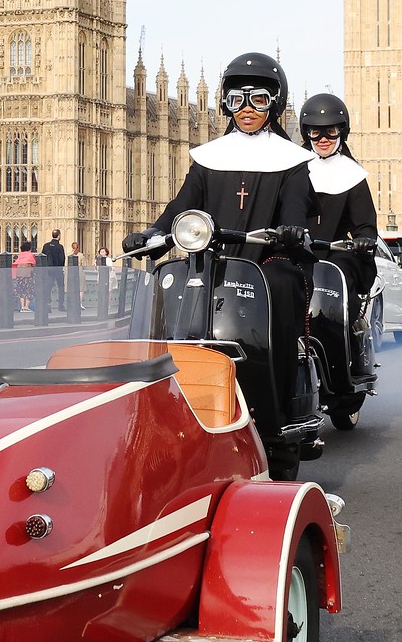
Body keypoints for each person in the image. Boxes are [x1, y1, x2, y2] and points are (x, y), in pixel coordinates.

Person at [124, 51, 313, 453]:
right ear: (226, 103)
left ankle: (277, 415)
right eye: (237, 99)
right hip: (213, 263)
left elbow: (296, 206)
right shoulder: (209, 157)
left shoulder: (293, 161)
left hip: (266, 261)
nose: (247, 109)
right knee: (171, 287)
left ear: (274, 103)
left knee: (280, 284)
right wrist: (153, 233)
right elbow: (182, 205)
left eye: (258, 99)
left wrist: (292, 229)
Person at [296, 92, 379, 330]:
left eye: (330, 131)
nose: (323, 139)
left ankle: (344, 338)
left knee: (341, 278)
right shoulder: (294, 169)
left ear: (341, 132)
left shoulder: (352, 174)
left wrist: (364, 240)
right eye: (316, 132)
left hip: (335, 252)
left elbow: (365, 223)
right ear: (307, 133)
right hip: (299, 252)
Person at [41, 228, 68, 312]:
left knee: (48, 288)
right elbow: (62, 259)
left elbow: (42, 257)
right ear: (59, 236)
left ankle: (47, 306)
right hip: (58, 270)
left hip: (48, 270)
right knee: (61, 287)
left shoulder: (46, 246)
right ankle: (60, 305)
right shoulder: (60, 247)